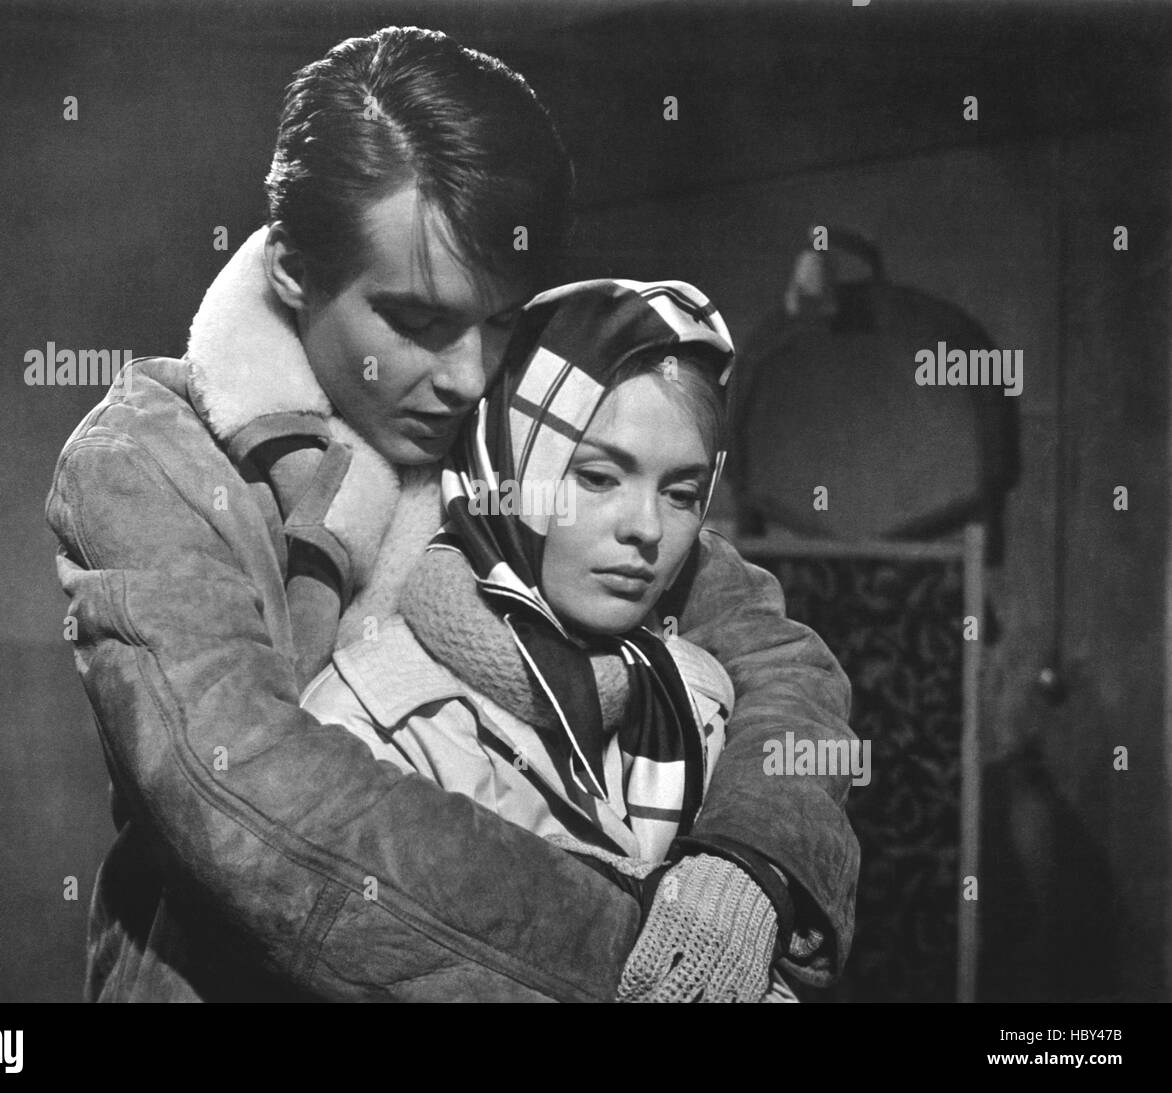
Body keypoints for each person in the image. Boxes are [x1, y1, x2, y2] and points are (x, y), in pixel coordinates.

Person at [45, 25, 858, 1002]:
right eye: (418, 322)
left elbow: (783, 664)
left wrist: (746, 869)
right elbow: (249, 798)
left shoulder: (536, 426)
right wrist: (645, 960)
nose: (468, 377)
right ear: (295, 271)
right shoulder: (149, 458)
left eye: (503, 320)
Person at [302, 278, 805, 1001]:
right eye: (598, 477)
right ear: (510, 468)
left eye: (682, 492)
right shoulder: (365, 720)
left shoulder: (705, 699)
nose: (646, 528)